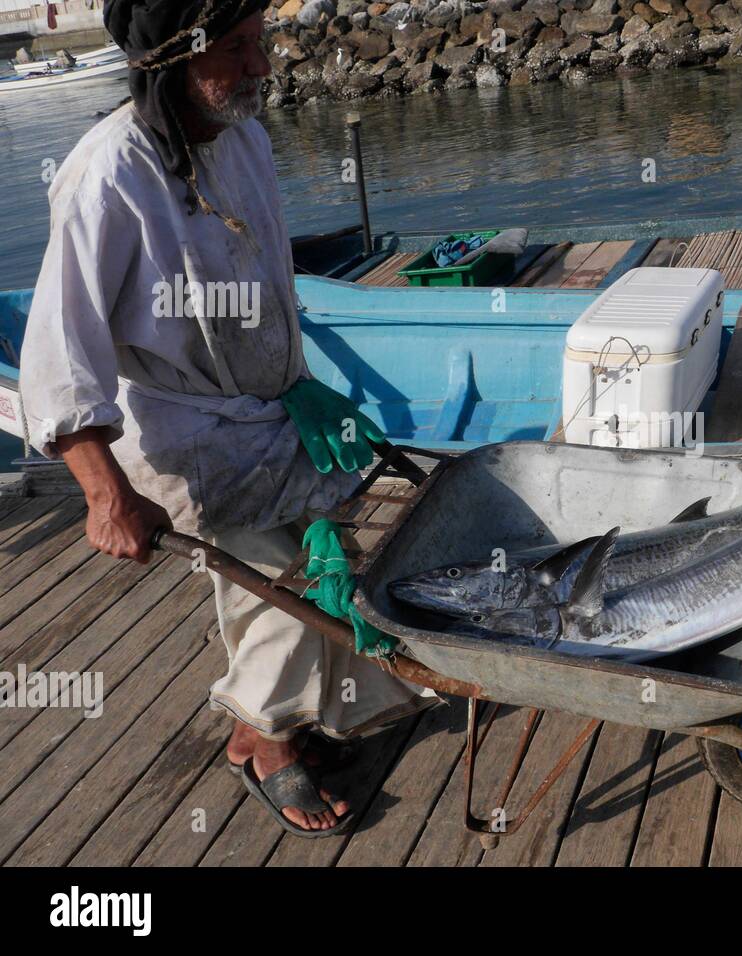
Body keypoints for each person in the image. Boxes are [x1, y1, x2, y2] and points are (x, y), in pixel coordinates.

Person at [19, 0, 440, 837]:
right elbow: (60, 350)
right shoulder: (107, 175)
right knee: (278, 584)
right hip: (187, 431)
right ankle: (263, 740)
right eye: (239, 50)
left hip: (278, 406)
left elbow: (264, 274)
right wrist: (104, 495)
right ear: (175, 61)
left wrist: (298, 381)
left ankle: (280, 719)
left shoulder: (243, 137)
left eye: (261, 44)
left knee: (326, 553)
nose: (263, 68)